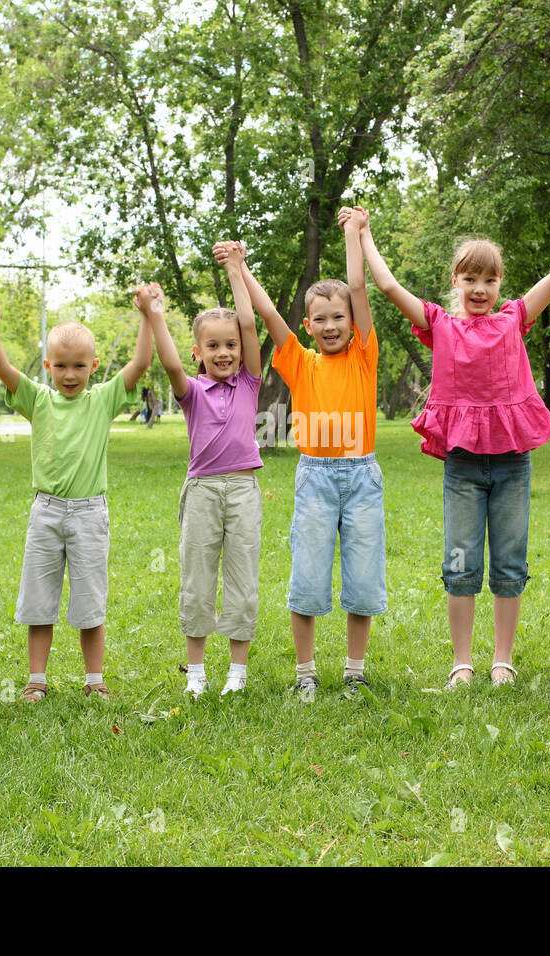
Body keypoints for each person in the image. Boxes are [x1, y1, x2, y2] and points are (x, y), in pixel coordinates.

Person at [360, 205, 550, 689]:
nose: (480, 289)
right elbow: (387, 287)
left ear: (500, 284)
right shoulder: (439, 324)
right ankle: (462, 663)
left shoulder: (514, 318)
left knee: (510, 561)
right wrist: (362, 234)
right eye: (470, 278)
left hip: (512, 464)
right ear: (456, 280)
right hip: (463, 466)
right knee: (460, 561)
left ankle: (502, 661)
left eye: (489, 279)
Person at [230, 209, 383, 701]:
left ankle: (355, 672)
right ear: (310, 325)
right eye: (322, 318)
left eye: (339, 317)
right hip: (315, 478)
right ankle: (306, 672)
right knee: (309, 577)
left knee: (362, 579)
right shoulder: (300, 361)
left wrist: (352, 233)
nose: (333, 324)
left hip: (361, 477)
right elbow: (270, 317)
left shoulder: (363, 355)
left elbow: (359, 289)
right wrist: (240, 267)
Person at [0, 304, 153, 702]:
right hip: (45, 512)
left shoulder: (104, 400)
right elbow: (3, 369)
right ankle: (36, 679)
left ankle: (94, 680)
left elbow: (141, 362)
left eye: (79, 366)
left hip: (90, 514)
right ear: (48, 365)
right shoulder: (38, 400)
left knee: (89, 602)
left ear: (93, 365)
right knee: (39, 602)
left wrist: (148, 314)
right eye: (61, 366)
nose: (70, 375)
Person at [143, 243, 263, 698]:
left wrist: (236, 268)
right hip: (202, 492)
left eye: (230, 344)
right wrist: (155, 314)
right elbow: (170, 362)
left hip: (243, 490)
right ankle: (196, 672)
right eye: (213, 346)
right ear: (199, 351)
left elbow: (249, 322)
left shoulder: (250, 382)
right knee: (197, 579)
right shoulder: (191, 391)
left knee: (242, 579)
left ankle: (237, 671)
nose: (225, 352)